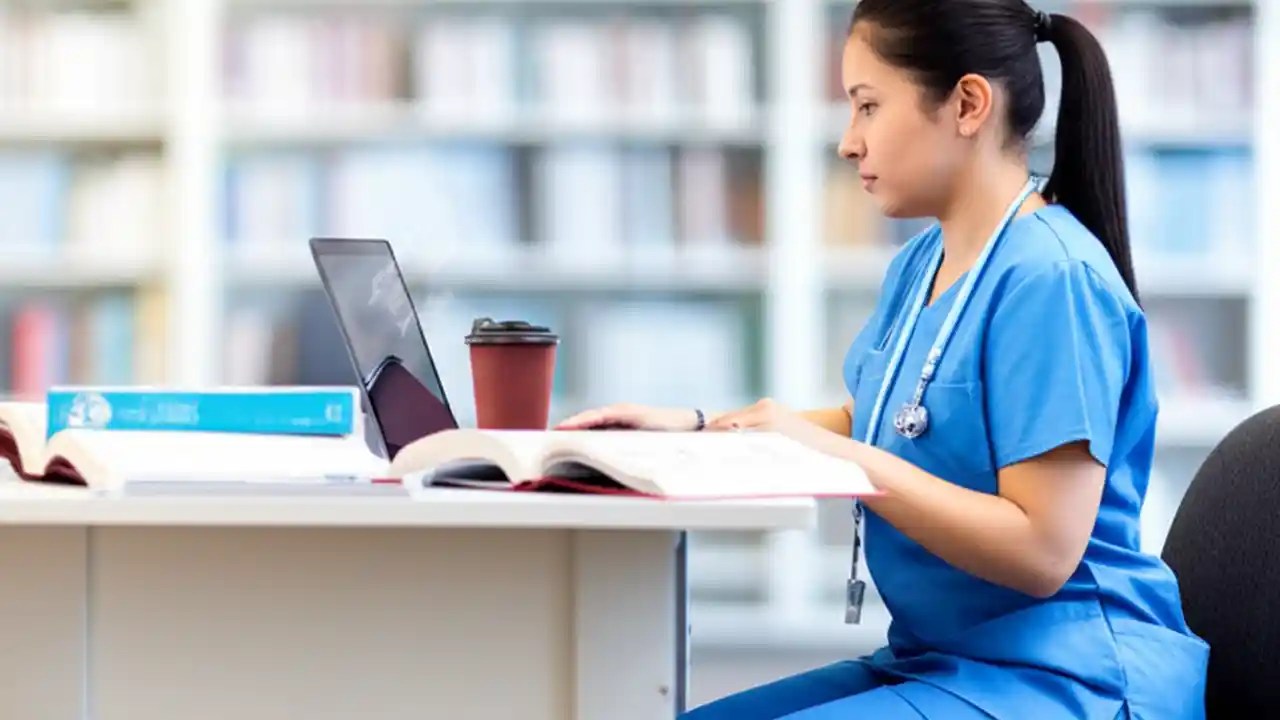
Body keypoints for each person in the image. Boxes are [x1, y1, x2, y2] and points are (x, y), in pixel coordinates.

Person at [556, 1, 1210, 717]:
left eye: (868, 107)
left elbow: (1041, 552)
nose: (847, 142)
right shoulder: (923, 261)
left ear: (967, 104)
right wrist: (702, 428)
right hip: (943, 659)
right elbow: (893, 416)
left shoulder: (1052, 281)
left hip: (1069, 675)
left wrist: (838, 462)